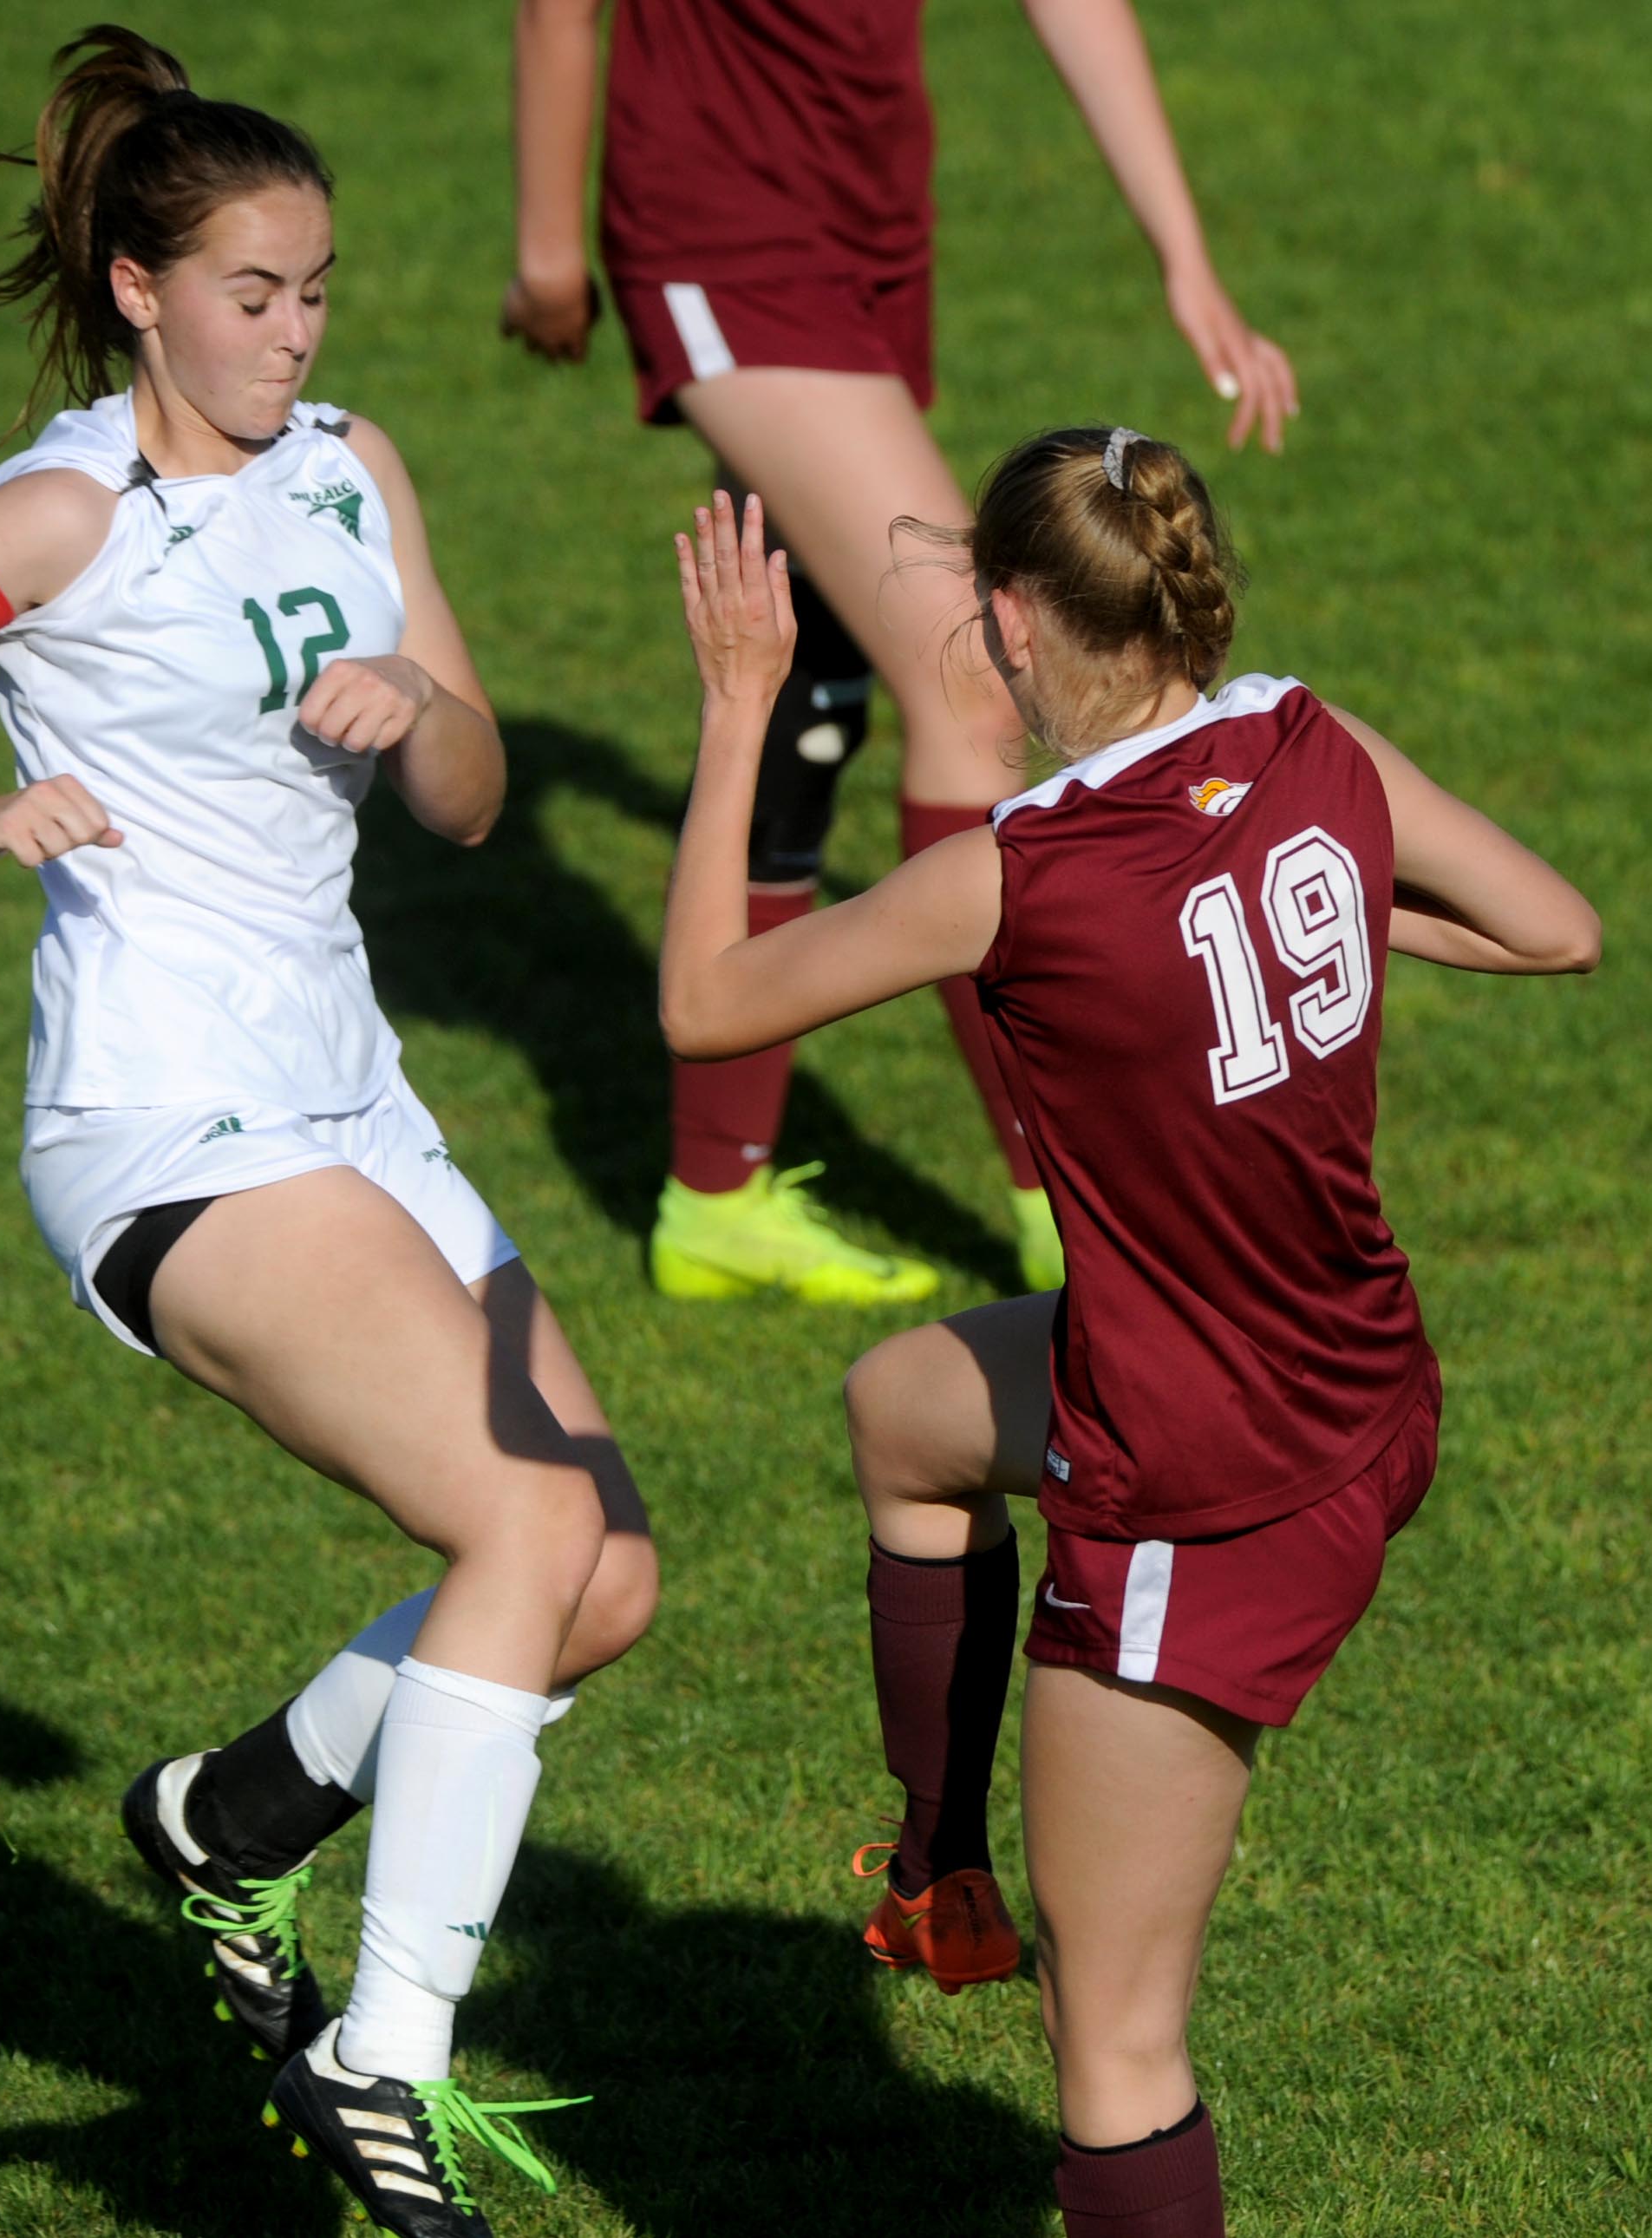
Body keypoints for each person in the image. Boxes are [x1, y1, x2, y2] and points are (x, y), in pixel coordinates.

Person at [0, 29, 656, 2235]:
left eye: (317, 287)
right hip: (166, 1115)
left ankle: (225, 1823)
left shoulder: (351, 465)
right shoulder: (62, 514)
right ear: (141, 290)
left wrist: (423, 707)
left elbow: (474, 788)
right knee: (518, 1530)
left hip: (351, 1090)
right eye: (251, 291)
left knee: (597, 1576)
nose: (293, 330)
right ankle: (380, 2059)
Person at [658, 452, 1596, 2235]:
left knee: (1114, 2039)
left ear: (1010, 623)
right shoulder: (1316, 744)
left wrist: (736, 709)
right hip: (1353, 1380)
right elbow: (1556, 930)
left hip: (1200, 1486)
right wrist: (1299, 911)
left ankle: (985, 1916)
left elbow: (705, 1001)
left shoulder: (1016, 873)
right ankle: (934, 1873)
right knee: (905, 1411)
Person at [505, 0, 1301, 1304]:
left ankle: (715, 1196)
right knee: (972, 684)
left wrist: (1184, 253)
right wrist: (546, 247)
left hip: (860, 225)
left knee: (814, 685)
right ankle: (1076, 1208)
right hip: (726, 229)